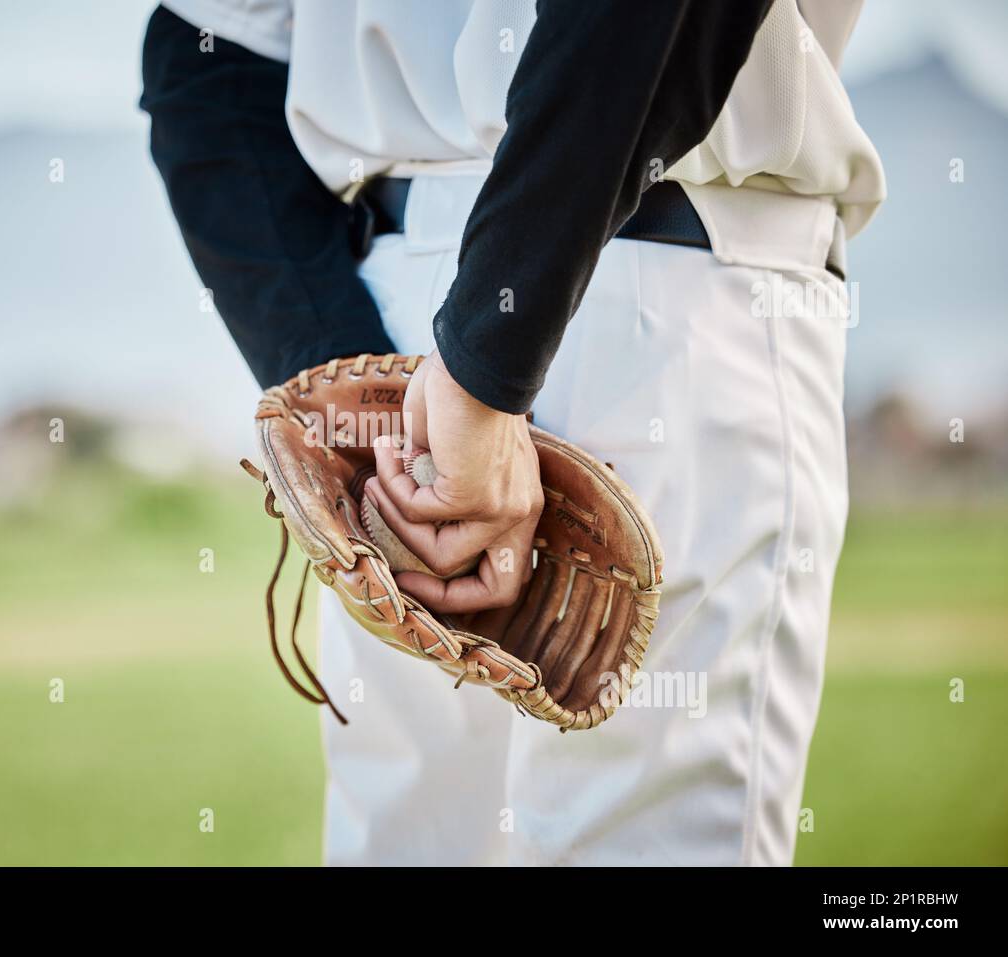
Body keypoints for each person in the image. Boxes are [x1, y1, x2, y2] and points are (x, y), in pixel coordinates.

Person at [141, 0, 885, 866]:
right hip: (655, 291)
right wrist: (458, 385)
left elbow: (206, 65)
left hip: (403, 323)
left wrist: (381, 405)